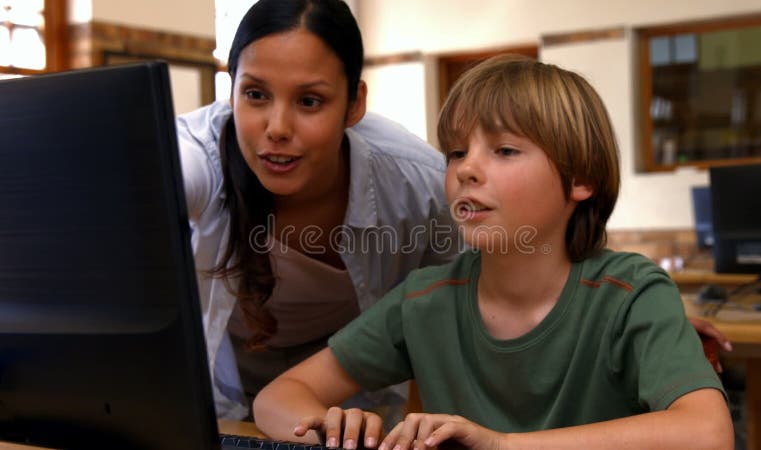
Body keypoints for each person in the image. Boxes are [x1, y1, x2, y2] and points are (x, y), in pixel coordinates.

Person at [253, 54, 734, 450]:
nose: (467, 170)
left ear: (581, 179)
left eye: (503, 150)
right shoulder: (426, 298)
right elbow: (277, 398)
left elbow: (707, 433)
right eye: (457, 152)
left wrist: (502, 445)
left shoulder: (631, 293)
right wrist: (334, 429)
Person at [176, 0, 460, 420]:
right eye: (255, 94)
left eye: (309, 101)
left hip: (339, 398)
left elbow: (457, 311)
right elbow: (159, 179)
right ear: (231, 90)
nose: (277, 128)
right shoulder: (197, 152)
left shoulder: (416, 181)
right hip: (221, 389)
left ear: (354, 104)